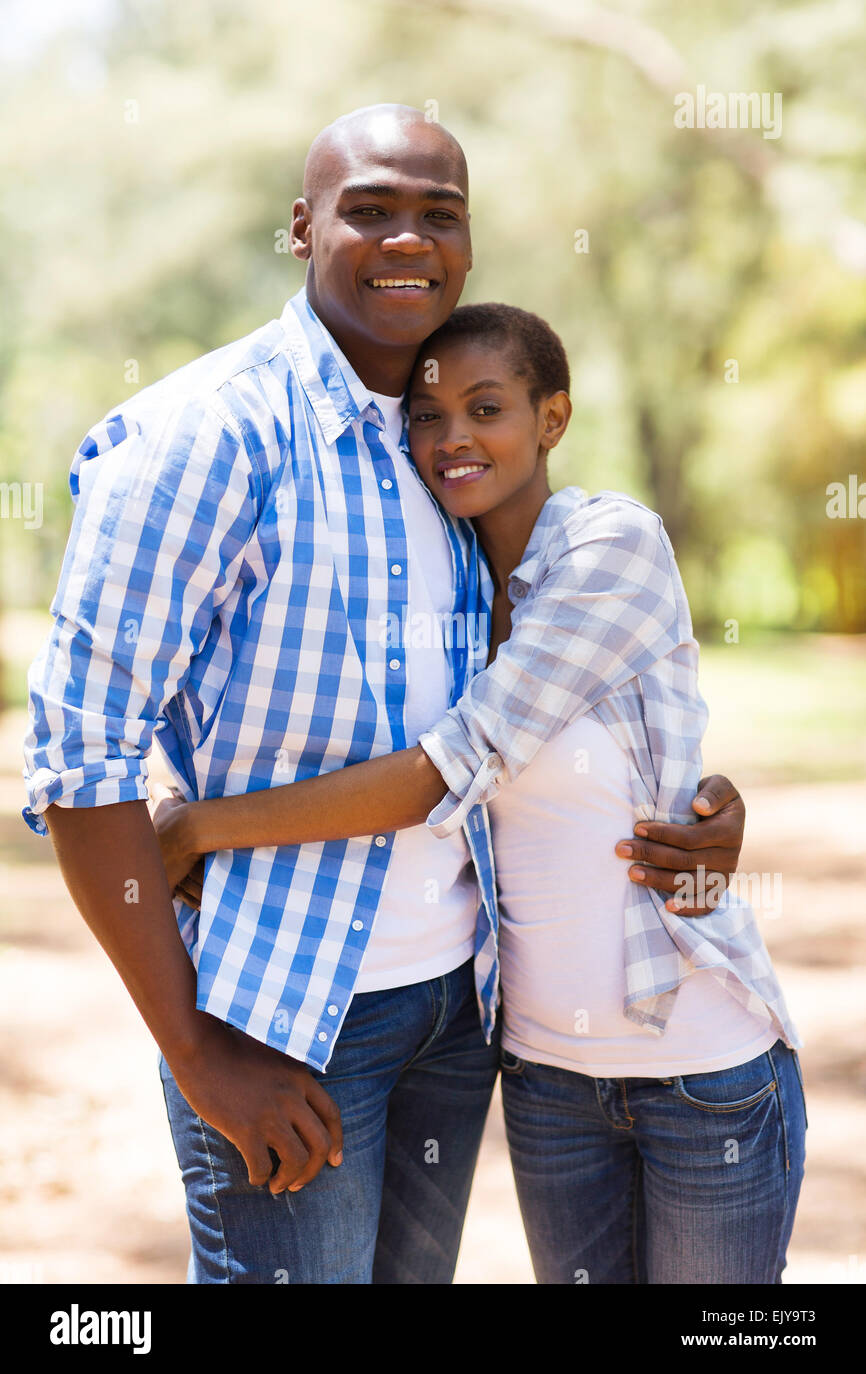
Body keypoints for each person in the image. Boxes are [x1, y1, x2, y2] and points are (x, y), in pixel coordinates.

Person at [23, 104, 747, 1285]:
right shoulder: (203, 433)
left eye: (437, 214)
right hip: (286, 1016)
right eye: (369, 209)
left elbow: (544, 699)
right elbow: (78, 765)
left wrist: (703, 800)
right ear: (303, 226)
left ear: (467, 244)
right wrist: (199, 1052)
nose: (406, 237)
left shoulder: (443, 443)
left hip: (456, 1007)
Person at [153, 302, 805, 1285]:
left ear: (551, 418)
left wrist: (200, 828)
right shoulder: (444, 576)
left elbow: (447, 767)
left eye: (486, 407)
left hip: (696, 1059)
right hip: (544, 1076)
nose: (452, 435)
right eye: (426, 415)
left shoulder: (607, 545)